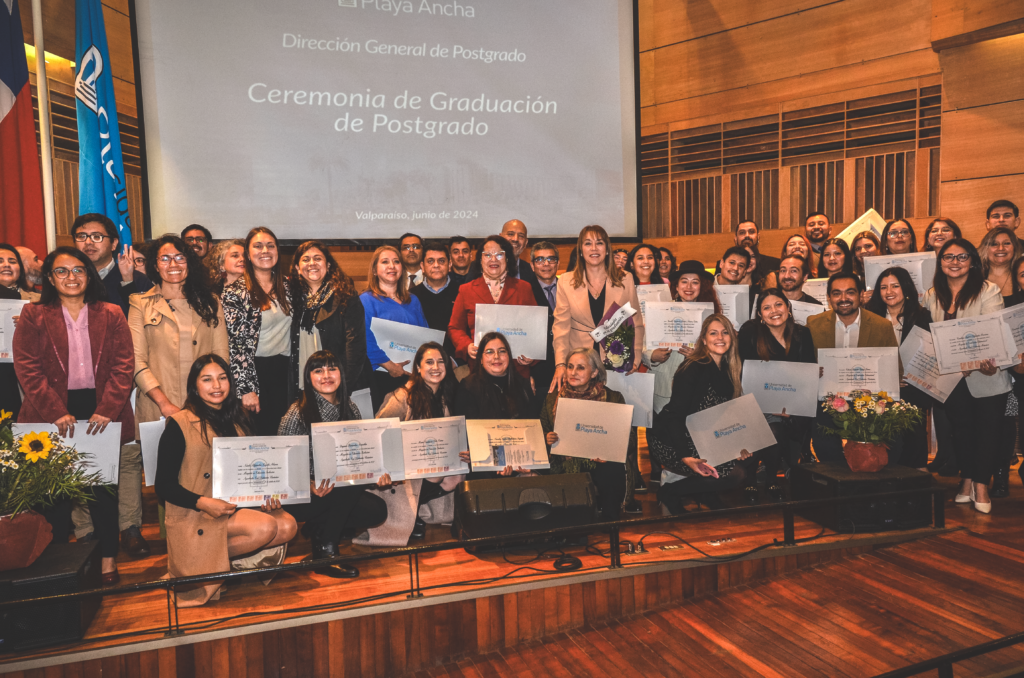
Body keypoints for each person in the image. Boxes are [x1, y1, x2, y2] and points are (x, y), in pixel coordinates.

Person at [14, 246, 135, 584]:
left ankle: (109, 563)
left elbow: (124, 366)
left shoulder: (111, 313)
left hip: (99, 413)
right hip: (50, 413)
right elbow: (27, 369)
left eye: (78, 270)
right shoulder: (32, 315)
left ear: (89, 275)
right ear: (50, 278)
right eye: (62, 271)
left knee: (102, 494)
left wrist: (107, 411)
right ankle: (58, 570)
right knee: (53, 498)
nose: (71, 277)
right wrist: (56, 412)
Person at [156, 354, 297, 606]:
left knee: (288, 525)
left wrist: (265, 495)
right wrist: (203, 502)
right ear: (195, 386)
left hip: (234, 506)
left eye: (222, 378)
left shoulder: (239, 419)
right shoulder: (179, 423)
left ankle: (224, 565)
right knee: (264, 528)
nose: (217, 386)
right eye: (207, 380)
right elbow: (163, 485)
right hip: (198, 511)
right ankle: (192, 563)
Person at [127, 235, 228, 556]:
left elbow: (220, 358)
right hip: (160, 407)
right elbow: (136, 361)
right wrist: (166, 404)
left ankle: (212, 550)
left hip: (206, 408)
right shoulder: (139, 303)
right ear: (155, 264)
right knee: (168, 482)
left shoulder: (211, 302)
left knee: (206, 479)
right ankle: (179, 551)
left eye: (180, 257)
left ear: (190, 262)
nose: (174, 264)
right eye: (166, 258)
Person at [278, 351, 389, 576]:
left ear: (341, 374)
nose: (326, 375)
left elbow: (358, 458)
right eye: (318, 370)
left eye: (332, 369)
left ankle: (319, 527)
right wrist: (308, 483)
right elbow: (281, 463)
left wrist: (375, 475)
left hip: (338, 490)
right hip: (305, 494)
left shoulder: (350, 408)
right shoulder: (297, 412)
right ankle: (325, 552)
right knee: (346, 483)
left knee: (377, 511)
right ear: (309, 377)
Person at [923, 239, 1011, 514]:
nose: (955, 262)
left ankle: (982, 485)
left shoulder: (988, 290)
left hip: (986, 375)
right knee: (961, 432)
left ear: (972, 261)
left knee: (987, 432)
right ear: (940, 263)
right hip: (950, 379)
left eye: (962, 257)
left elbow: (992, 333)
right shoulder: (931, 295)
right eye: (948, 257)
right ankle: (967, 479)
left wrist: (983, 361)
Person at [648, 315, 751, 513]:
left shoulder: (729, 369)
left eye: (725, 332)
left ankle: (705, 492)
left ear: (732, 337)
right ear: (704, 339)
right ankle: (670, 491)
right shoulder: (692, 368)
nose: (720, 337)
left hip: (702, 436)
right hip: (672, 440)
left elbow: (724, 417)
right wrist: (685, 456)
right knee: (735, 474)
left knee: (749, 457)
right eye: (713, 333)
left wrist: (739, 444)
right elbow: (675, 416)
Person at [369, 342, 467, 542]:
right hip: (404, 465)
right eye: (429, 362)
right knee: (435, 475)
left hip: (430, 462)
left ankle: (416, 512)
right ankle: (411, 516)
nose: (435, 367)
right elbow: (378, 430)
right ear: (418, 368)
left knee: (458, 475)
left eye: (441, 362)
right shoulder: (403, 396)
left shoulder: (446, 396)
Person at [805, 273, 900, 463]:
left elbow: (895, 369)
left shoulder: (882, 326)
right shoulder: (813, 324)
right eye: (837, 293)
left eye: (850, 292)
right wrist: (812, 371)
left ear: (861, 295)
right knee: (822, 436)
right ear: (829, 298)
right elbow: (805, 365)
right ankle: (837, 480)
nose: (843, 299)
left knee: (892, 436)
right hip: (828, 399)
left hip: (869, 399)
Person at [737, 289, 816, 498]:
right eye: (766, 307)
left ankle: (772, 478)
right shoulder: (750, 333)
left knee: (777, 427)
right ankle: (752, 478)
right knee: (767, 425)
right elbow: (746, 373)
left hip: (791, 404)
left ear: (788, 308)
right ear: (760, 315)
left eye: (778, 304)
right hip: (754, 402)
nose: (774, 311)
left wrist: (793, 406)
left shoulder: (802, 333)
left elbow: (807, 374)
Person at [648, 261, 721, 486]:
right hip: (664, 389)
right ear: (676, 285)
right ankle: (669, 490)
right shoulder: (659, 312)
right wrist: (652, 356)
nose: (689, 287)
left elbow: (721, 352)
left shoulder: (710, 316)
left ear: (702, 286)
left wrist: (701, 355)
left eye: (695, 282)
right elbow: (644, 347)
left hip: (695, 391)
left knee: (693, 441)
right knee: (672, 441)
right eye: (684, 281)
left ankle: (689, 488)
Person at [550, 225, 645, 392]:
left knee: (611, 412)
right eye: (587, 243)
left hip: (615, 359)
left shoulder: (625, 278)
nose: (594, 248)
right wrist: (561, 364)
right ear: (580, 250)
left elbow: (635, 322)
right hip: (579, 365)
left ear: (607, 249)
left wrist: (636, 357)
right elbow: (561, 328)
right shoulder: (565, 281)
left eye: (599, 243)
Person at [541, 347, 632, 520]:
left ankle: (609, 524)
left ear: (594, 372)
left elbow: (629, 437)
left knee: (612, 468)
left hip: (600, 460)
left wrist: (608, 452)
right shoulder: (552, 398)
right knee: (567, 474)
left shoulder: (613, 398)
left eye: (581, 368)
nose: (573, 372)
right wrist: (547, 438)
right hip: (564, 460)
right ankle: (575, 529)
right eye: (570, 367)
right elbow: (541, 431)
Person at [222, 227, 293, 435]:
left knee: (286, 435)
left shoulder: (287, 286)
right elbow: (235, 345)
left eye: (270, 246)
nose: (265, 251)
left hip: (286, 372)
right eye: (258, 246)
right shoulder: (234, 293)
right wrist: (245, 389)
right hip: (256, 374)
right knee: (261, 438)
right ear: (248, 253)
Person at [863, 268, 932, 469]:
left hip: (913, 387)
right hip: (880, 389)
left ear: (906, 288)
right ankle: (889, 478)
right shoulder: (869, 316)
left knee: (915, 434)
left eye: (895, 286)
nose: (889, 291)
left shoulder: (921, 315)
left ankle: (916, 479)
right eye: (883, 287)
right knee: (887, 437)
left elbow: (929, 352)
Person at [289, 240, 371, 405]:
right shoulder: (291, 300)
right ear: (298, 268)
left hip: (341, 386)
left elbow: (356, 346)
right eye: (306, 259)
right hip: (305, 386)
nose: (312, 263)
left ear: (327, 264)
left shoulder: (345, 296)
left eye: (318, 258)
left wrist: (343, 389)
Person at [448, 235, 538, 378]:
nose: (493, 259)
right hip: (480, 371)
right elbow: (455, 328)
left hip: (517, 371)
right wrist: (467, 346)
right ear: (480, 259)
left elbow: (536, 329)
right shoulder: (466, 290)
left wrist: (532, 353)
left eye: (499, 255)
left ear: (507, 258)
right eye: (488, 255)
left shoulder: (524, 288)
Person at [360, 245, 429, 412]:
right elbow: (365, 339)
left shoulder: (413, 300)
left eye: (396, 262)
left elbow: (426, 337)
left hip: (414, 376)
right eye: (385, 262)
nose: (392, 266)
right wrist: (391, 366)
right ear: (375, 270)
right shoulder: (366, 300)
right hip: (382, 375)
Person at [71, 213, 152, 316]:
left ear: (113, 244)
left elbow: (148, 320)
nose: (88, 242)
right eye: (81, 236)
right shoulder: (68, 280)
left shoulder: (138, 280)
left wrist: (128, 284)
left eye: (96, 236)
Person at [455, 331, 538, 421]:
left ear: (509, 356)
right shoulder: (468, 387)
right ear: (481, 359)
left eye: (502, 351)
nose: (496, 356)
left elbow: (533, 425)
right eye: (489, 352)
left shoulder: (523, 385)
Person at [410, 240, 459, 362]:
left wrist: (453, 361)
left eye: (441, 261)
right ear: (422, 266)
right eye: (430, 261)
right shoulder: (411, 296)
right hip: (420, 362)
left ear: (449, 265)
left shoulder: (462, 292)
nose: (436, 265)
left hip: (456, 362)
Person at [528, 241, 560, 397]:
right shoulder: (524, 291)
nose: (546, 264)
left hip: (568, 368)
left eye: (551, 259)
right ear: (532, 266)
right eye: (540, 260)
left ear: (557, 263)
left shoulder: (570, 289)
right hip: (538, 370)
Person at [978, 227, 1022, 300]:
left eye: (1007, 243)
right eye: (994, 244)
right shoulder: (974, 276)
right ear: (985, 249)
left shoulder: (1022, 275)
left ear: (1015, 248)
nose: (1001, 248)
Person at [500, 219, 538, 287]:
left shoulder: (532, 272)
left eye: (521, 236)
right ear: (500, 238)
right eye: (511, 234)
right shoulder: (478, 268)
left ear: (526, 243)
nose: (515, 239)